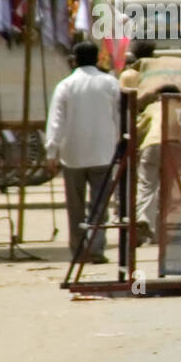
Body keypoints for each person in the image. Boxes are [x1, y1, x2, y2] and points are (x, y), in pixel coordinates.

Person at [45, 41, 120, 264]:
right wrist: (118, 145)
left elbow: (56, 120)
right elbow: (119, 118)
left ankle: (78, 251)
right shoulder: (110, 83)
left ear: (74, 60)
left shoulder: (65, 85)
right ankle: (95, 250)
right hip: (103, 154)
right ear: (98, 59)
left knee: (75, 207)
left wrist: (51, 152)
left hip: (73, 155)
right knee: (99, 206)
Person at [134, 84, 180, 246]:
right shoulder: (180, 109)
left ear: (159, 97)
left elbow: (138, 128)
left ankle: (143, 219)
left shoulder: (152, 107)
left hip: (151, 146)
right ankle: (159, 233)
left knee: (147, 186)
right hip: (173, 147)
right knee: (166, 190)